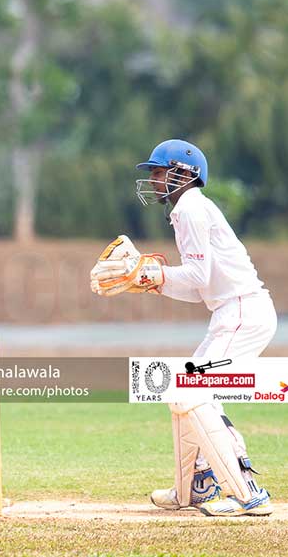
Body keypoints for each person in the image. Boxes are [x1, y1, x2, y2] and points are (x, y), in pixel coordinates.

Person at [90, 139, 274, 517]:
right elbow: (198, 287)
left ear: (185, 173)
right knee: (183, 394)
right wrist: (154, 280)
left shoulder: (191, 207)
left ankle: (247, 493)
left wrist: (148, 270)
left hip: (243, 312)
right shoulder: (187, 210)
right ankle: (194, 488)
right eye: (154, 173)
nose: (154, 179)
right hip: (230, 311)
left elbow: (197, 275)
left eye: (159, 172)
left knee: (194, 394)